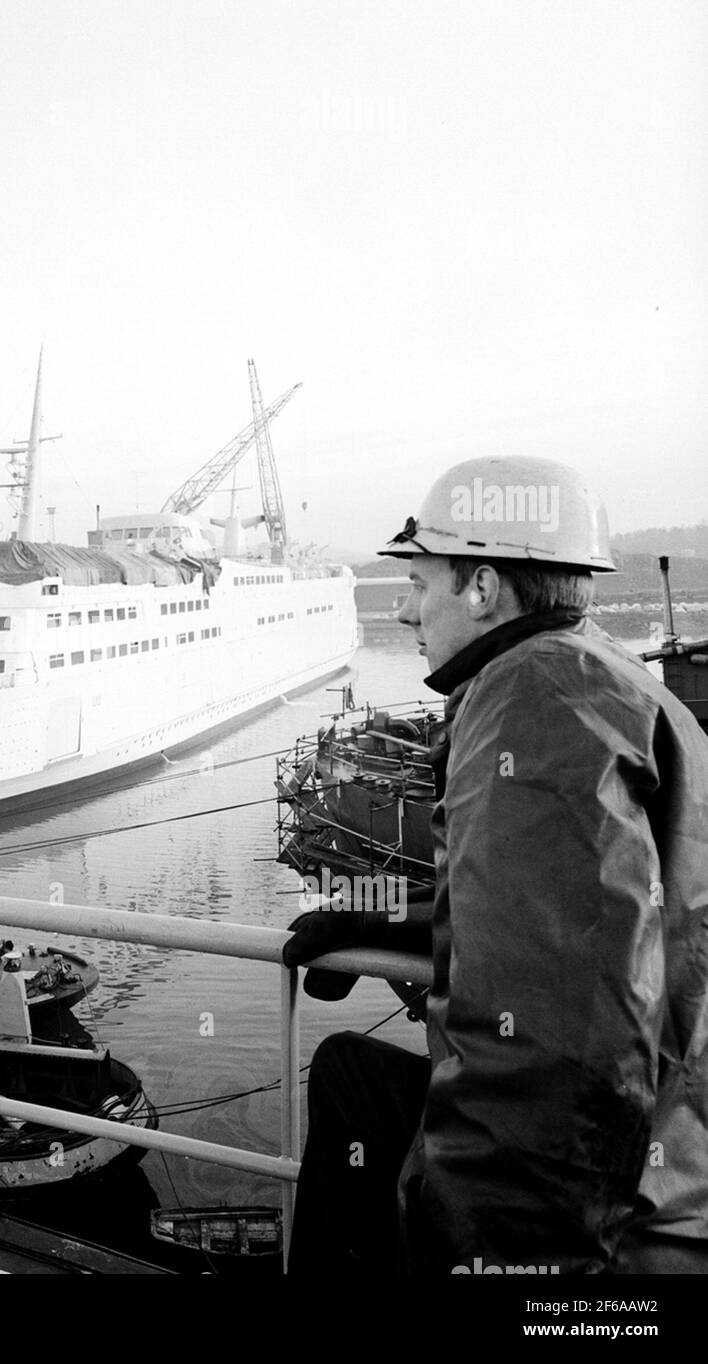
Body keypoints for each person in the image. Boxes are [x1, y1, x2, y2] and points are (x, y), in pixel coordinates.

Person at [285, 454, 708, 1275]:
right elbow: (586, 930)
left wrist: (497, 1261)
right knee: (349, 1076)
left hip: (610, 1233)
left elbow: (557, 1050)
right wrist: (400, 922)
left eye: (419, 584)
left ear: (480, 588)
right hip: (671, 1156)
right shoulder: (599, 676)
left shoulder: (536, 700)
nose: (406, 613)